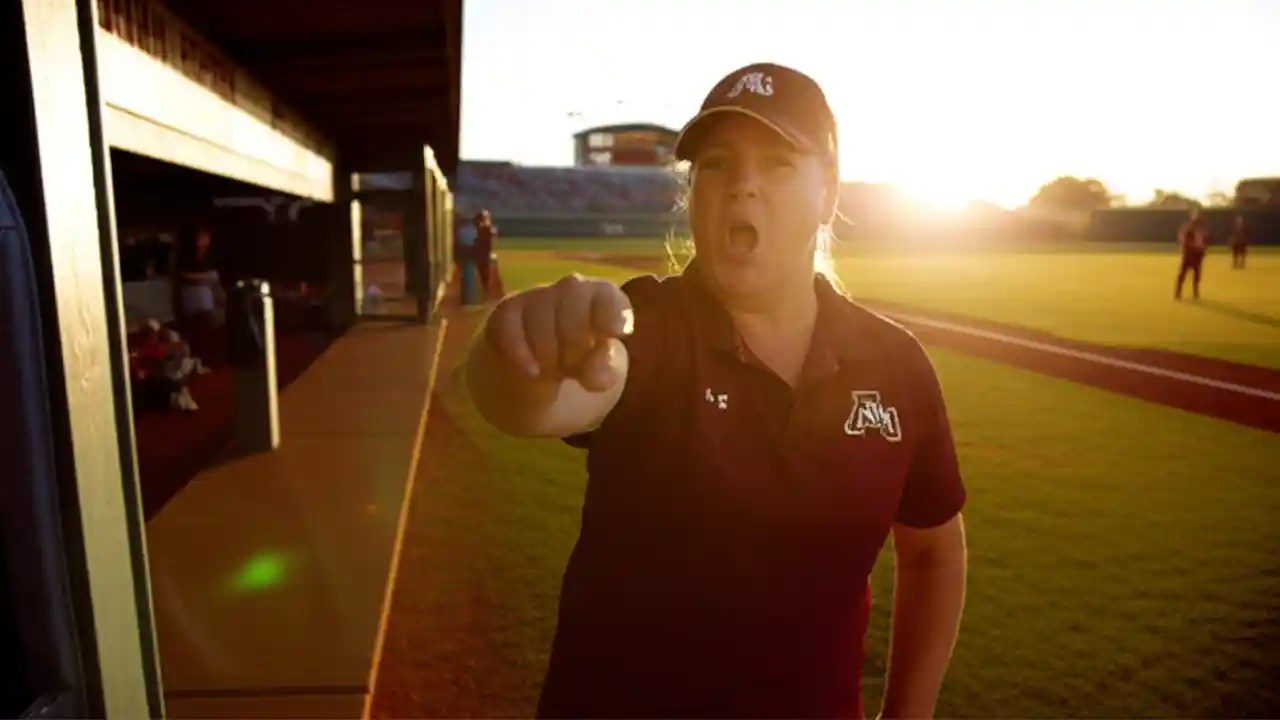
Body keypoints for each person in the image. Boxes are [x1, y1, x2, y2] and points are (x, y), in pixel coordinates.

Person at [466, 62, 968, 719]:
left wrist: (908, 713)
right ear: (694, 194)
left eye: (779, 163)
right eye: (718, 165)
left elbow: (933, 550)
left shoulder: (896, 367)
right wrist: (516, 354)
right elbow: (543, 397)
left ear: (828, 193)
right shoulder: (650, 325)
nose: (743, 188)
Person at [1175, 208, 1210, 299]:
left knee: (1197, 274)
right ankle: (1178, 292)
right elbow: (1183, 239)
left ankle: (1195, 292)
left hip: (1198, 254)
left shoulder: (1202, 228)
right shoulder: (1188, 227)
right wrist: (1191, 247)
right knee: (1183, 273)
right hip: (1189, 253)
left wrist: (1203, 248)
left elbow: (1205, 239)